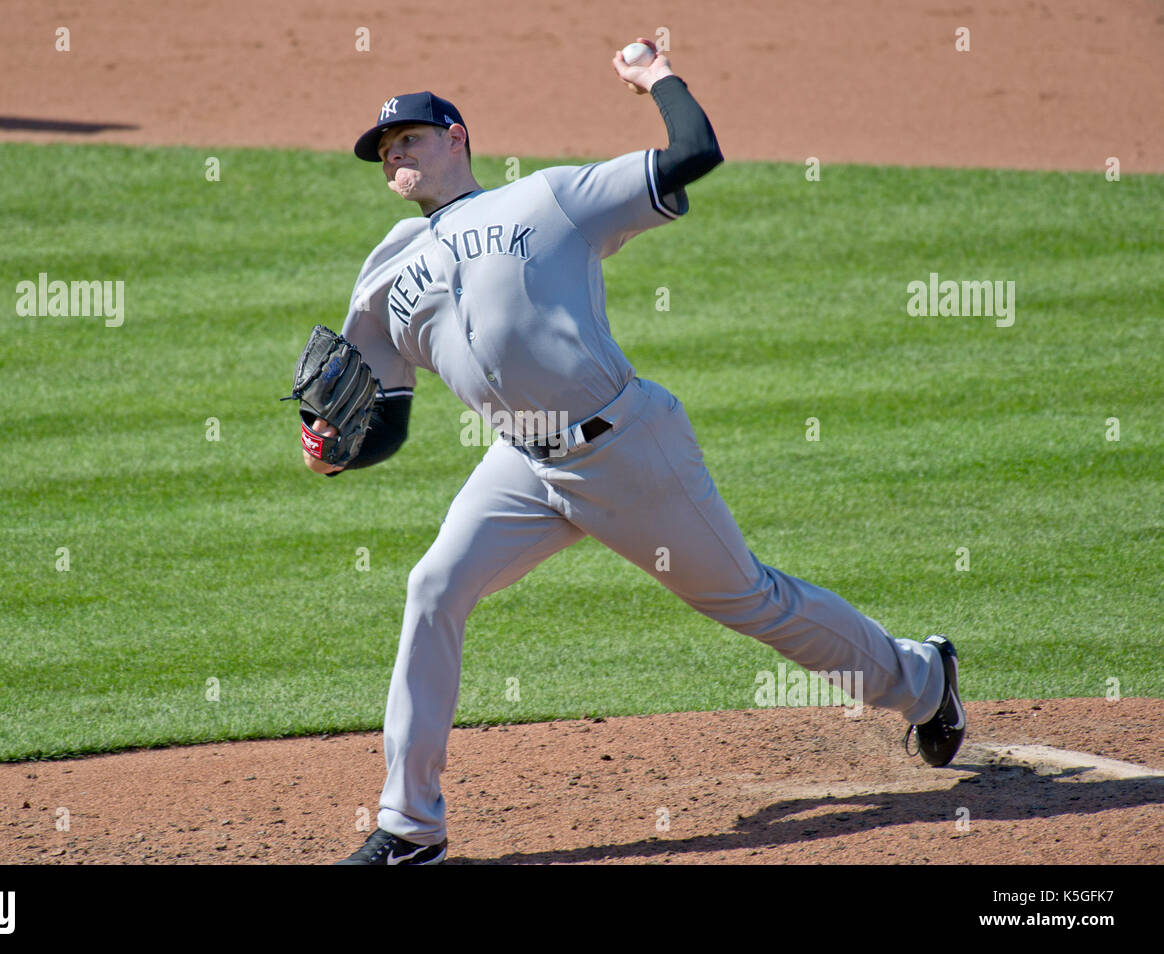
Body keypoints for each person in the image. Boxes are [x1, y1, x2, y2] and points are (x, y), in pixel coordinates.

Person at [306, 42, 965, 865]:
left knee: (749, 600)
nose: (395, 154)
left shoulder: (549, 198)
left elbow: (696, 153)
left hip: (627, 448)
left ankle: (925, 679)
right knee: (433, 585)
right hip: (523, 464)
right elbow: (386, 415)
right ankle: (410, 830)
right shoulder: (385, 272)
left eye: (409, 137)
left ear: (456, 137)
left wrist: (656, 78)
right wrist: (339, 453)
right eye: (384, 150)